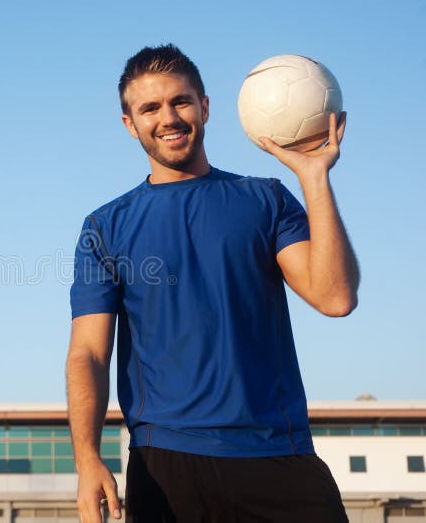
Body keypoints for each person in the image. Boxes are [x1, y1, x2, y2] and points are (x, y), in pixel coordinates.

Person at [66, 44, 360, 523]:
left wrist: (314, 178)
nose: (169, 118)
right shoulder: (106, 227)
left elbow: (335, 297)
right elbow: (89, 354)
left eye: (180, 101)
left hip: (276, 453)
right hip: (167, 463)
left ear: (204, 106)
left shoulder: (265, 200)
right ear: (129, 123)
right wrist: (86, 458)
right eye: (150, 108)